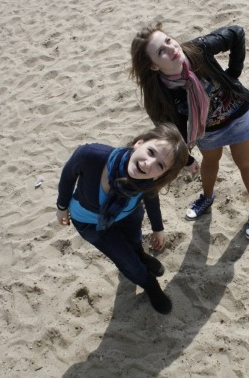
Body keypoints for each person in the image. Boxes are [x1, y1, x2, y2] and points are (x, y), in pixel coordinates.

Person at [130, 23, 249, 240]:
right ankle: (207, 197)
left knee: (244, 162)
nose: (171, 48)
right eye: (161, 51)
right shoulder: (159, 93)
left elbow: (236, 33)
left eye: (168, 40)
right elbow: (169, 128)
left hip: (237, 115)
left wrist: (233, 73)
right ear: (154, 66)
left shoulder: (198, 49)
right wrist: (186, 158)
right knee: (210, 163)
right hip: (206, 130)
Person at [55, 123, 188, 314]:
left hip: (128, 214)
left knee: (134, 242)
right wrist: (61, 206)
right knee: (128, 263)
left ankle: (140, 254)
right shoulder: (91, 155)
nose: (148, 164)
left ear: (162, 174)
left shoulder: (149, 181)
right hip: (90, 223)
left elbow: (151, 197)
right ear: (139, 143)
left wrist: (158, 228)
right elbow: (68, 175)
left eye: (160, 165)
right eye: (150, 152)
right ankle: (151, 286)